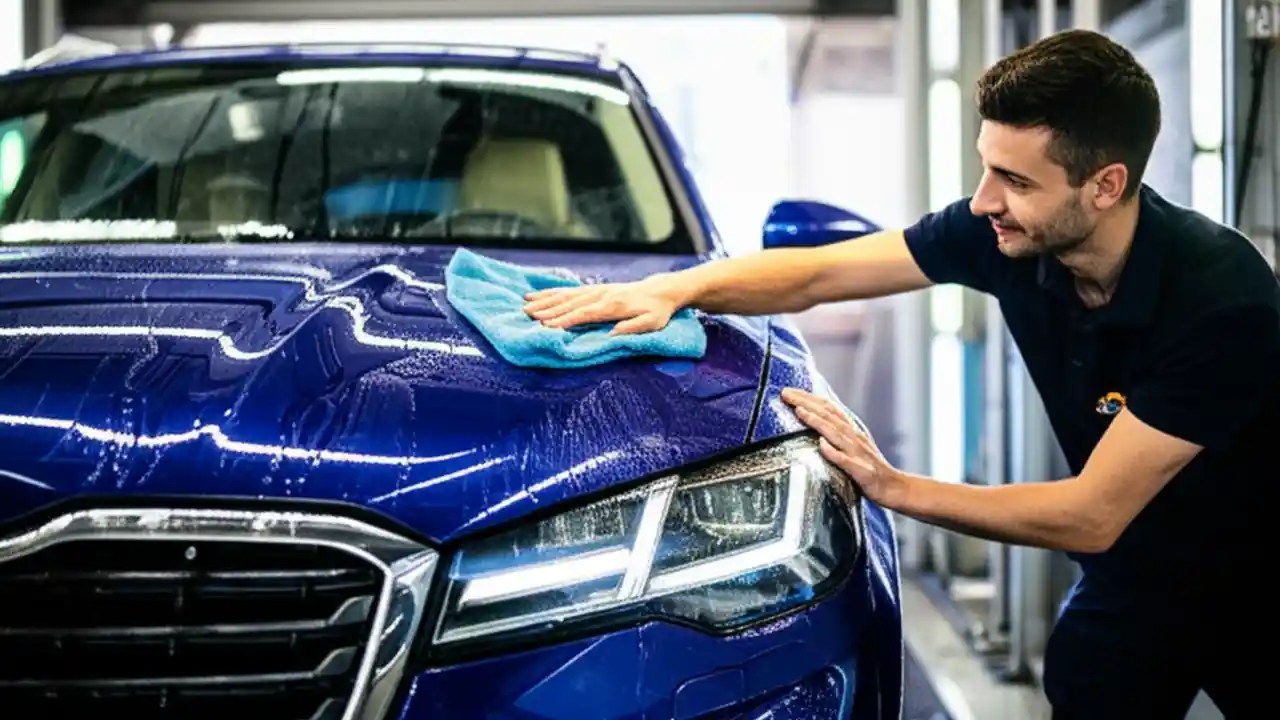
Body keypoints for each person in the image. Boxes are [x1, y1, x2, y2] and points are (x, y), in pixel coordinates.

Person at [523, 28, 1276, 719]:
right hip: (1134, 577)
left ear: (1105, 186)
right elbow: (819, 273)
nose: (985, 200)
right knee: (1087, 685)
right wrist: (674, 289)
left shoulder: (1221, 298)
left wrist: (892, 486)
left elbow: (1090, 513)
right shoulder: (1001, 234)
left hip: (1253, 579)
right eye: (986, 168)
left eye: (1014, 179)